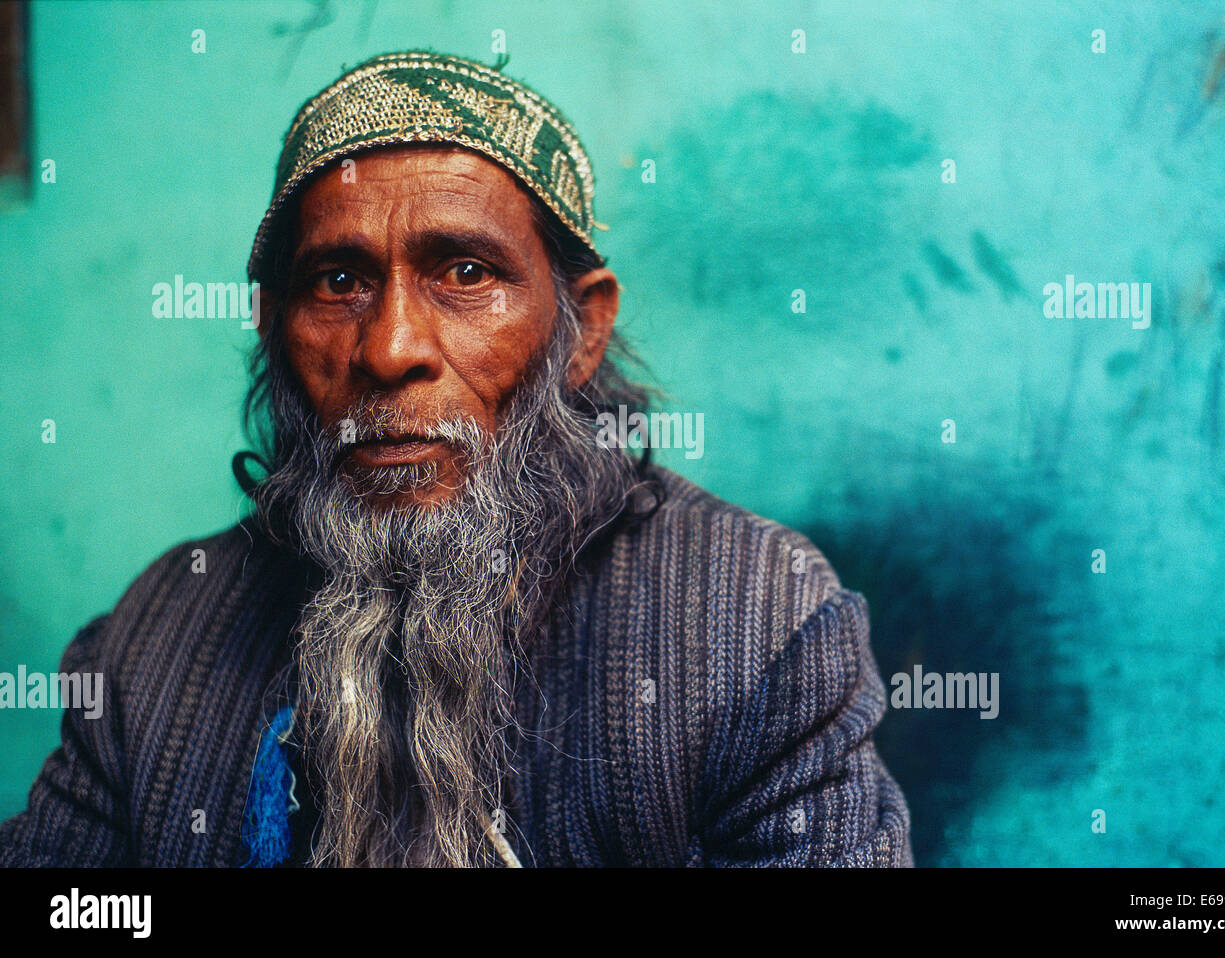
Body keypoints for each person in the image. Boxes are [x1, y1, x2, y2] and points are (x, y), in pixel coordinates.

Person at [0, 51, 911, 867]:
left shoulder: (754, 621)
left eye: (467, 273)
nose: (392, 347)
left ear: (582, 327)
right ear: (274, 327)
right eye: (338, 281)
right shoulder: (156, 640)